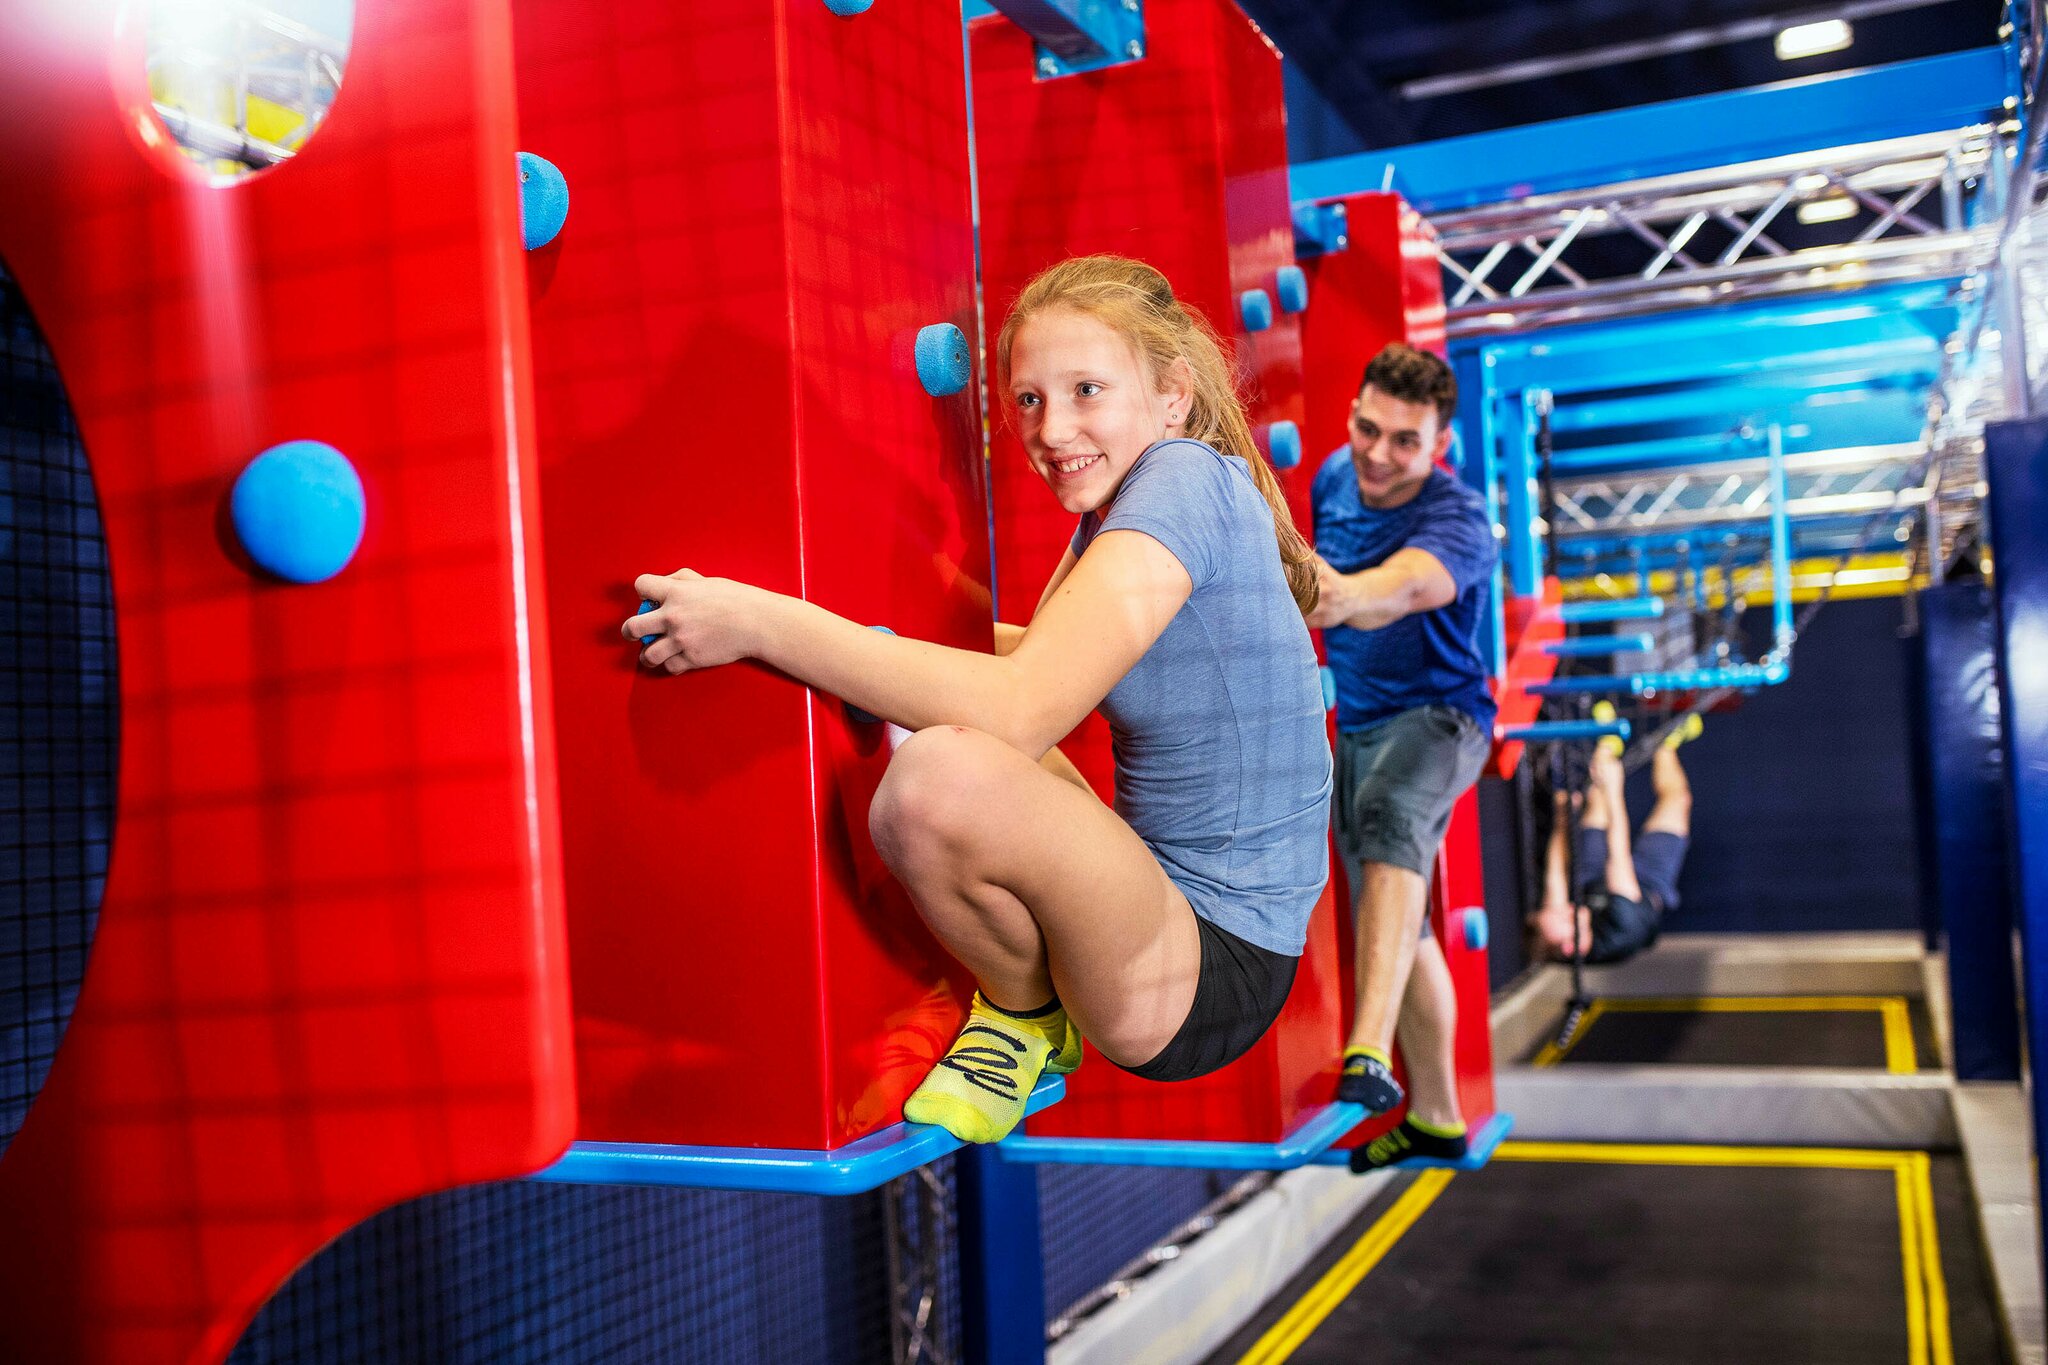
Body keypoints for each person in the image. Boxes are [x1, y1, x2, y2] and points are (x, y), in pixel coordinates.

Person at [623, 255, 1332, 1145]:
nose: (1052, 427)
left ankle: (1026, 1012)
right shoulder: (1124, 509)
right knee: (954, 737)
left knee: (937, 780)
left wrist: (765, 624)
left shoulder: (1183, 481)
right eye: (1029, 400)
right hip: (1153, 905)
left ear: (1172, 396)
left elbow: (1025, 703)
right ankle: (1033, 1011)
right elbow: (1041, 661)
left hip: (1205, 967)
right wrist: (867, 636)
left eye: (1085, 390)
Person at [1305, 343, 1497, 1173]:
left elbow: (1402, 588)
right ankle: (1438, 1118)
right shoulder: (1328, 478)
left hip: (1442, 717)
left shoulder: (1459, 519)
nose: (1378, 455)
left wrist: (1336, 594)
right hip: (1359, 724)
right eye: (1366, 428)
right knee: (1401, 920)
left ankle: (1369, 1053)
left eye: (1404, 442)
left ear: (1440, 445)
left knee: (1389, 825)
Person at [1532, 710, 1700, 965]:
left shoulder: (1557, 929)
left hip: (1594, 879)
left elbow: (1555, 876)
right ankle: (1666, 745)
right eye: (1568, 916)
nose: (1567, 907)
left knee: (1595, 801)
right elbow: (1617, 856)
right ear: (1570, 946)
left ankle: (1607, 740)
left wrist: (1562, 820)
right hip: (1646, 886)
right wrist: (1614, 789)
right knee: (1677, 800)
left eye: (1558, 908)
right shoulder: (1622, 928)